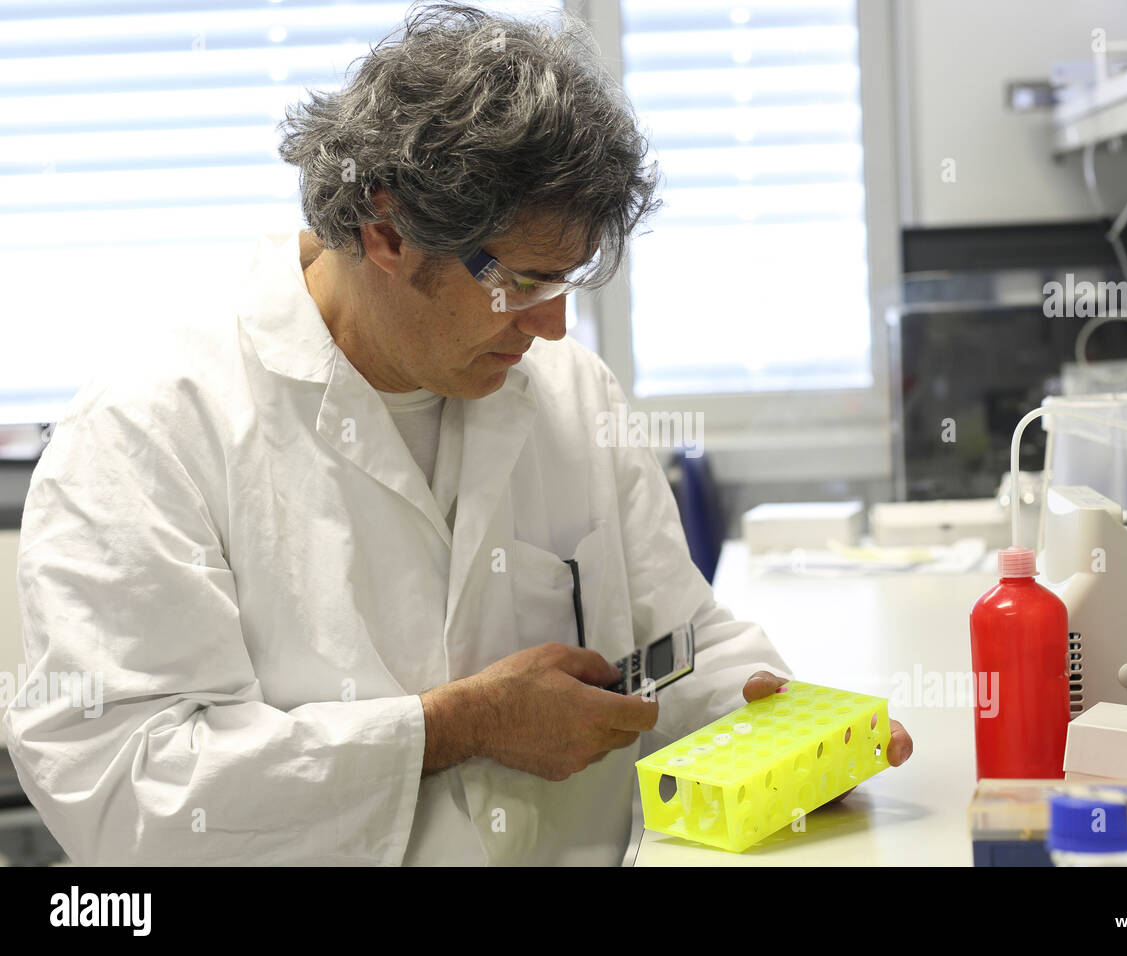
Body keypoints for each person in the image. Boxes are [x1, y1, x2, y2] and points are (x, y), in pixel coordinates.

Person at [3, 2, 911, 866]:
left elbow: (679, 646)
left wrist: (782, 727)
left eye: (568, 282)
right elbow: (129, 789)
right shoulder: (150, 431)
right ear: (387, 229)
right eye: (522, 282)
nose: (553, 330)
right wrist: (451, 727)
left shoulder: (563, 391)